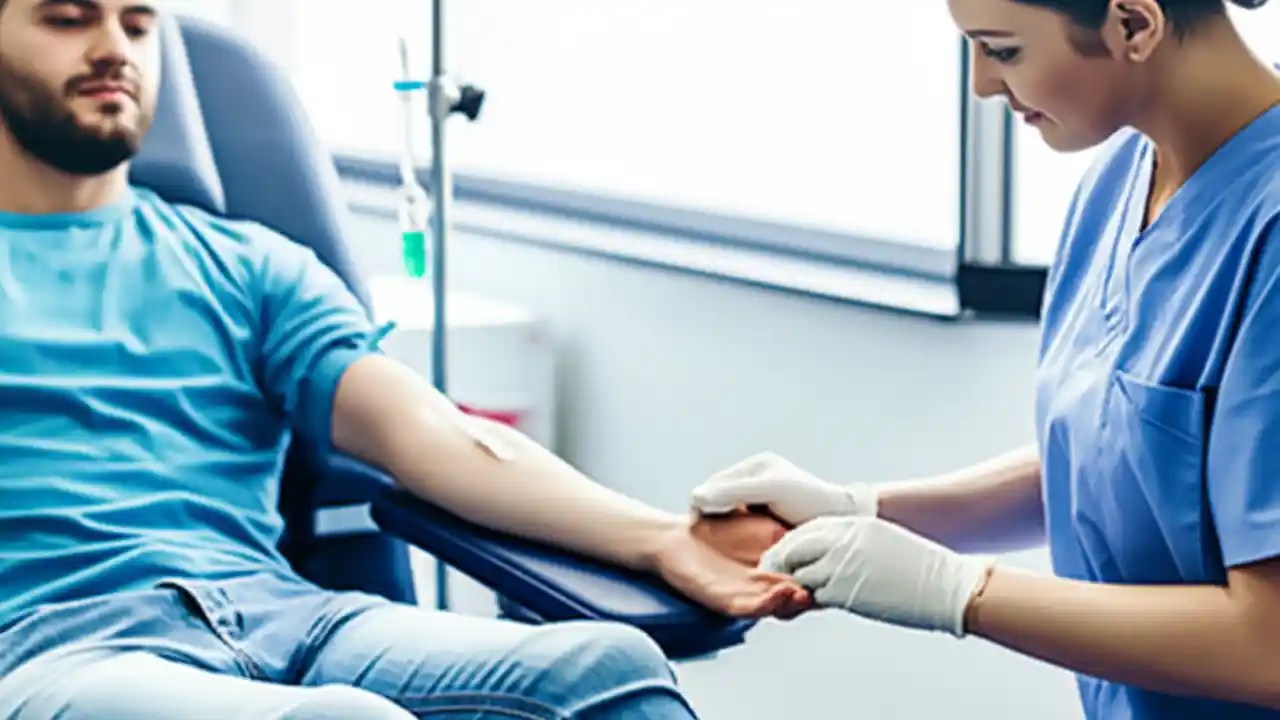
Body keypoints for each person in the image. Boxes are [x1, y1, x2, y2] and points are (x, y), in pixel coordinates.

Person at [0, 1, 809, 718]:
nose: (114, 46)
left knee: (608, 668)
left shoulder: (248, 265)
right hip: (54, 648)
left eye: (138, 24)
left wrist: (662, 537)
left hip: (285, 617)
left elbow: (430, 435)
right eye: (67, 18)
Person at [691, 0, 1280, 718]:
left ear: (1133, 24)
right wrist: (868, 509)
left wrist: (960, 592)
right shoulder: (1125, 173)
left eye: (1002, 51)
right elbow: (1130, 456)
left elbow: (1268, 642)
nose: (982, 86)